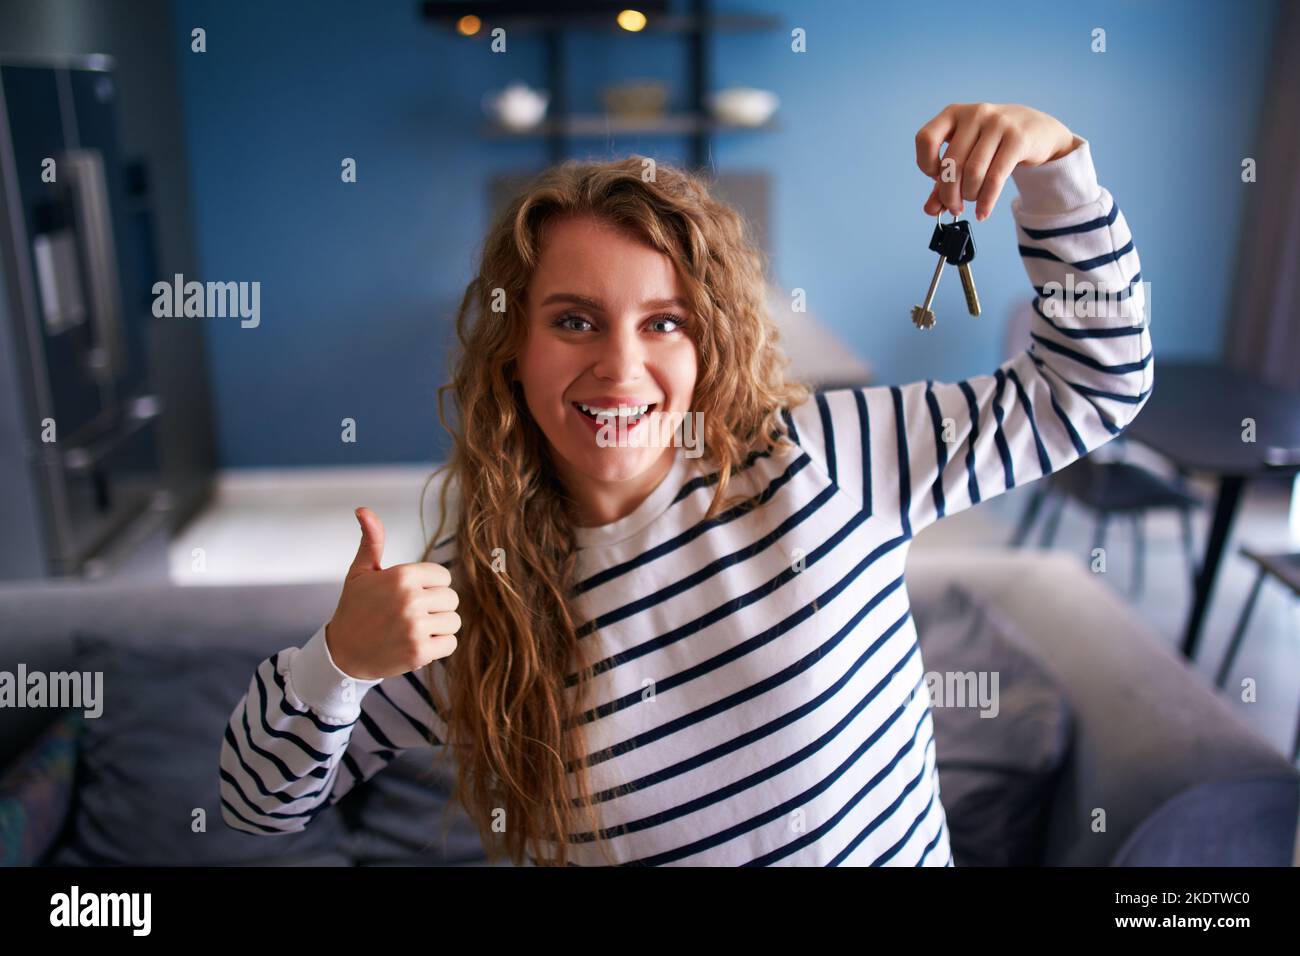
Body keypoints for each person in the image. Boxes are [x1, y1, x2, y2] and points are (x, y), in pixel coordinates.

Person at [219, 103, 1151, 866]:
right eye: (575, 321)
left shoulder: (829, 457)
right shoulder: (477, 596)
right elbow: (255, 806)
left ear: (710, 344)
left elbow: (1096, 383)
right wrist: (335, 660)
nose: (621, 370)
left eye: (664, 323)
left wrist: (1055, 166)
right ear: (512, 353)